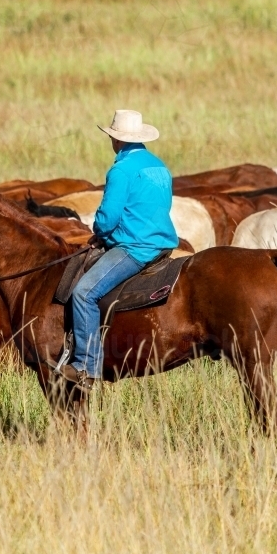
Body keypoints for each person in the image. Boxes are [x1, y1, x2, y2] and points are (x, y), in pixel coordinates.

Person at [58, 110, 179, 391]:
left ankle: (86, 367)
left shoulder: (121, 169)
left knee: (84, 293)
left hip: (135, 248)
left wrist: (99, 234)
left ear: (115, 139)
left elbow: (108, 218)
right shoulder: (159, 166)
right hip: (163, 244)